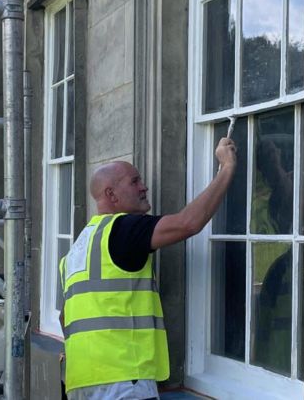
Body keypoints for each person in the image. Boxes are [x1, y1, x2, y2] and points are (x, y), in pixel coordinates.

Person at [59, 136, 238, 400]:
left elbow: (66, 318)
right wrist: (226, 168)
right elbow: (188, 224)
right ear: (111, 194)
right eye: (135, 181)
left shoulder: (79, 248)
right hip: (123, 382)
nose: (144, 187)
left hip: (81, 382)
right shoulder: (124, 228)